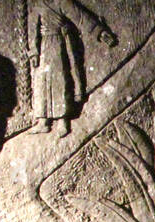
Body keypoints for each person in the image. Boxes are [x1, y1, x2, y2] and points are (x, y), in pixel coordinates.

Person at [28, 0, 117, 137]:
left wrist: (100, 32)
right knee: (41, 82)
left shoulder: (63, 3)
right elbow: (32, 29)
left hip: (60, 44)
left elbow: (81, 18)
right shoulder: (38, 6)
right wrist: (34, 52)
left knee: (60, 80)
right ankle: (43, 121)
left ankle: (63, 119)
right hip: (44, 48)